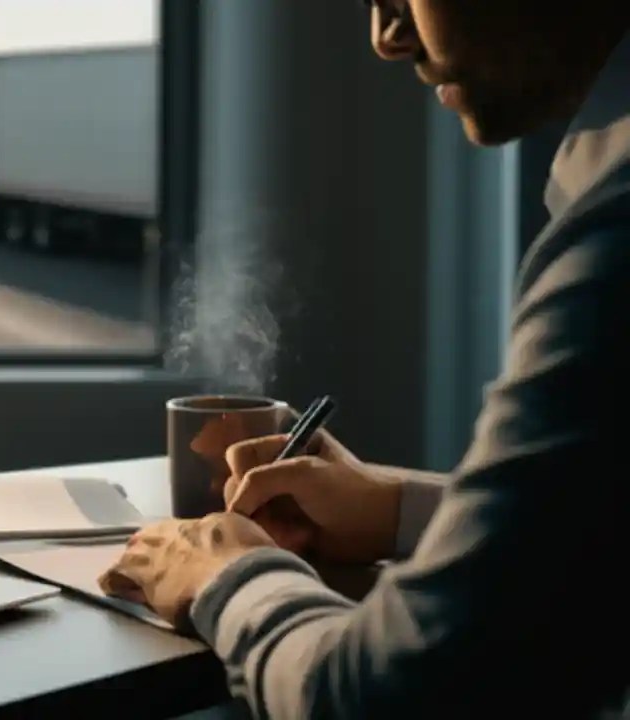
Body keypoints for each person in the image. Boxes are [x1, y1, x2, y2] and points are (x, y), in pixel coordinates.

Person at [99, 1, 630, 717]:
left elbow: (390, 696)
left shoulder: (614, 237)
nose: (386, 37)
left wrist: (225, 577)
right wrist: (400, 511)